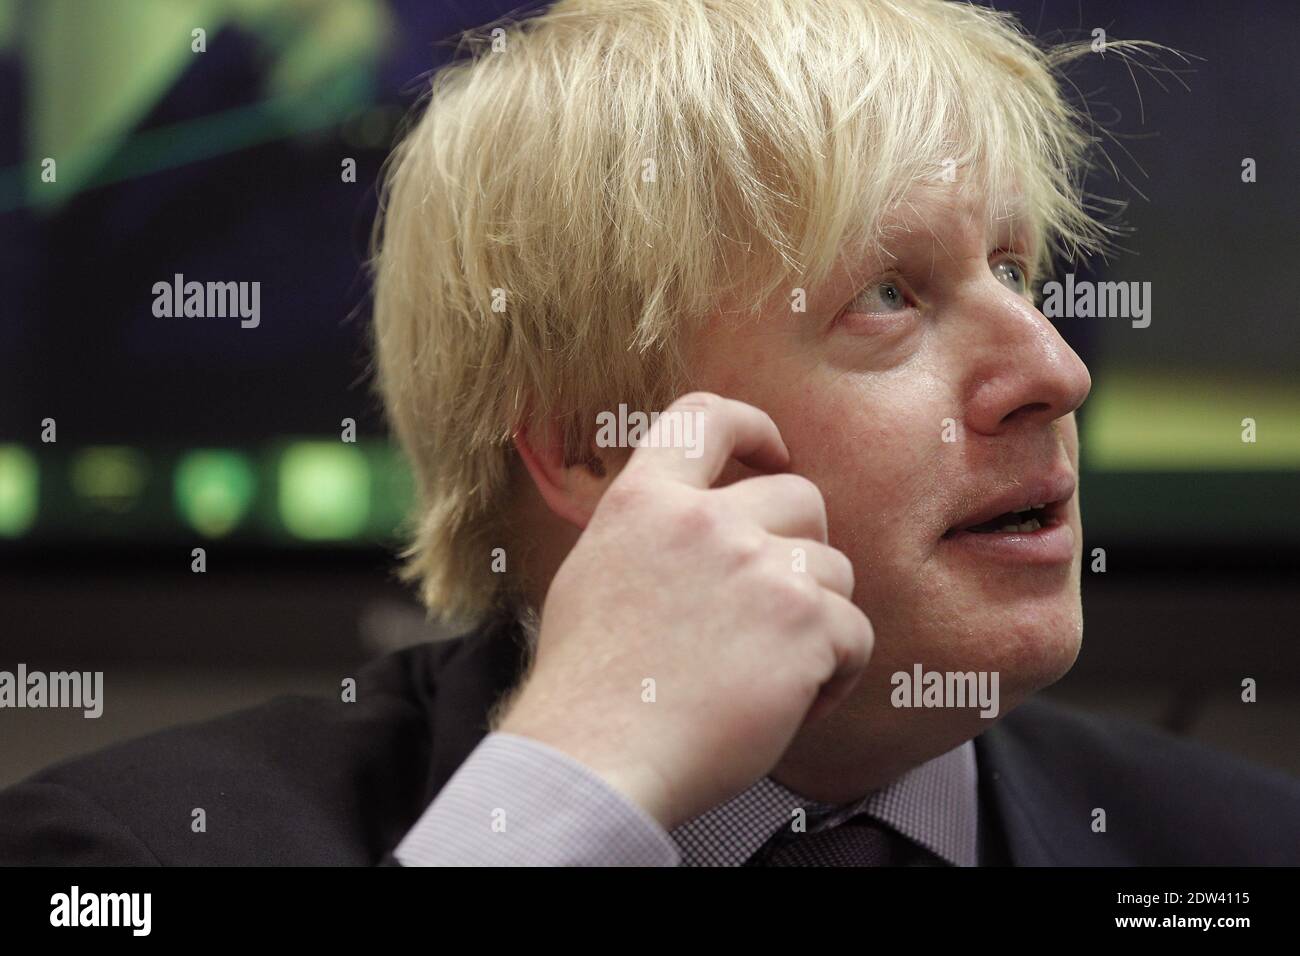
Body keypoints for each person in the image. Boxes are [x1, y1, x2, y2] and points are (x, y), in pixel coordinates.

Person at [2, 0, 1297, 867]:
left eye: (1017, 272)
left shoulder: (1240, 852)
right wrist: (568, 797)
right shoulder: (119, 851)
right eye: (889, 296)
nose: (1056, 372)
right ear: (594, 446)